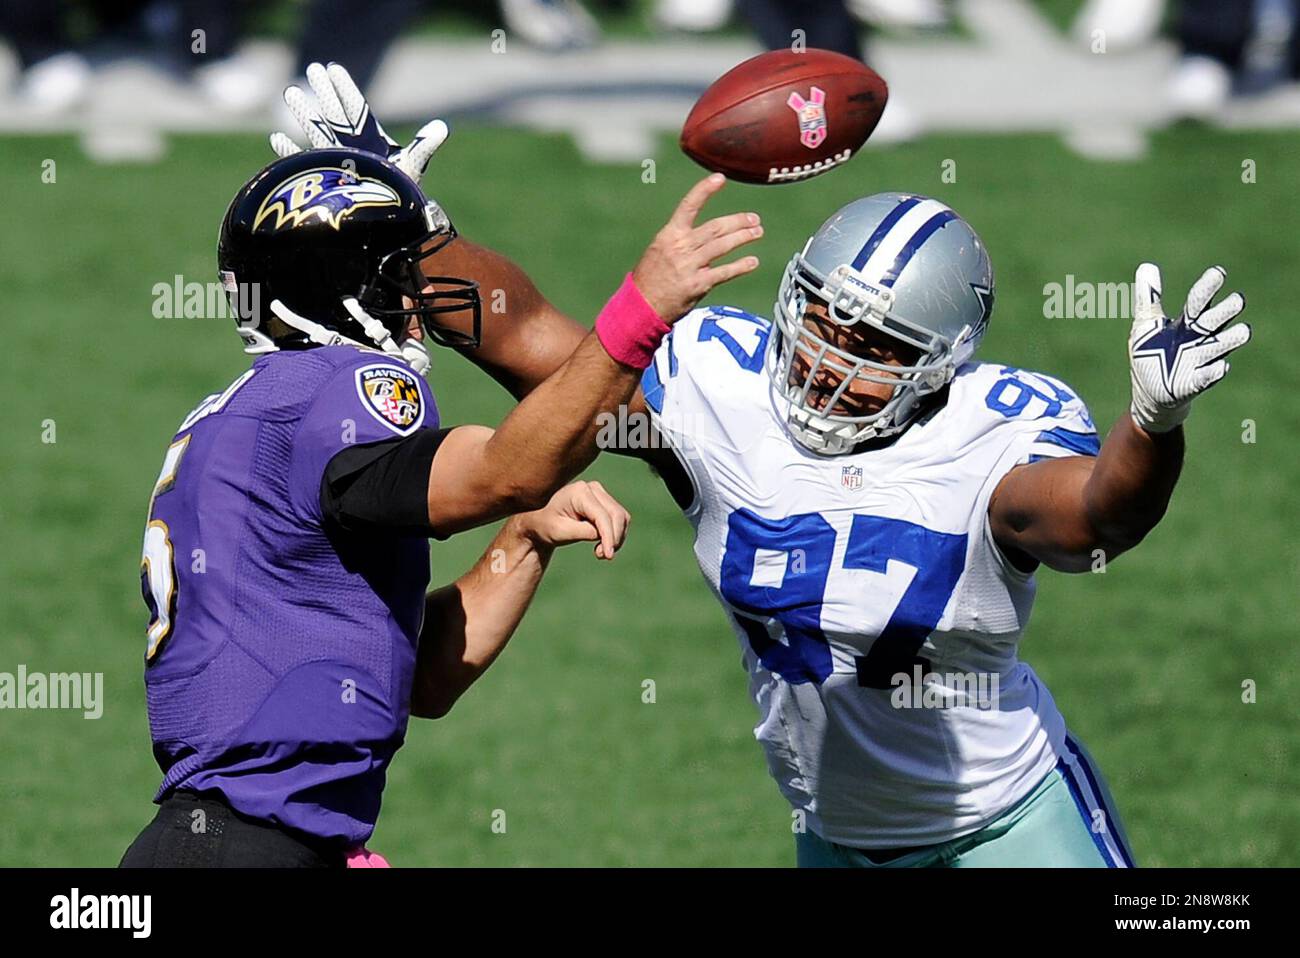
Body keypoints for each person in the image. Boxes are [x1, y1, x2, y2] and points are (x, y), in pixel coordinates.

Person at [267, 70, 1251, 866]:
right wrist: (400, 221)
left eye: (868, 346)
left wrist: (1151, 426)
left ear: (938, 369)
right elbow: (533, 342)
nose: (823, 359)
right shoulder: (721, 385)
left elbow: (1092, 519)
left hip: (1004, 832)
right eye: (817, 317)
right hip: (833, 838)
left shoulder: (992, 434)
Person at [120, 134, 762, 866]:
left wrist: (521, 542)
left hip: (243, 842)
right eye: (401, 280)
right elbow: (505, 472)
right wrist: (638, 313)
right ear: (343, 291)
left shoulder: (246, 418)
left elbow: (414, 674)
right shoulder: (332, 389)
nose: (420, 301)